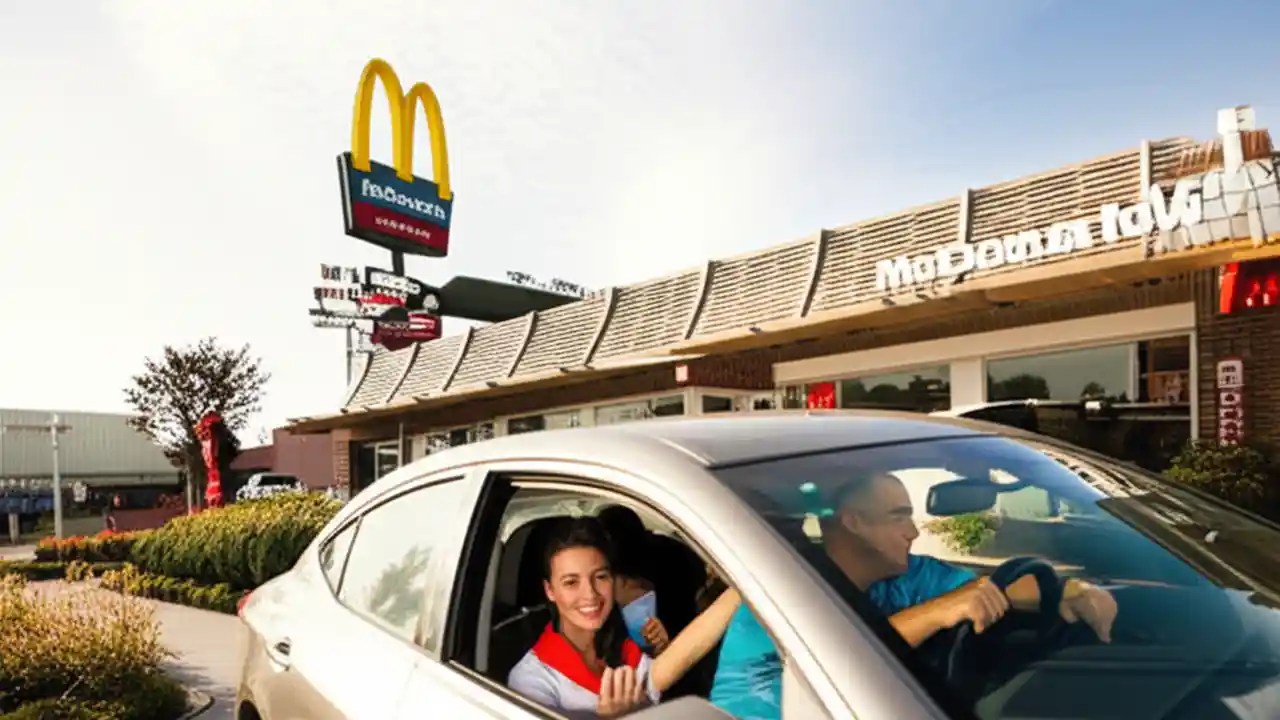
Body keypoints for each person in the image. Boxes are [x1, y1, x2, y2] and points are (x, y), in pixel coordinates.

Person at [709, 472, 1119, 720]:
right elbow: (835, 663)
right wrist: (935, 614)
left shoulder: (904, 575)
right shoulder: (779, 594)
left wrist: (1072, 592)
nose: (914, 531)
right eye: (898, 516)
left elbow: (1001, 589)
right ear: (853, 523)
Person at [508, 516, 741, 718]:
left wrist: (745, 585)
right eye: (571, 582)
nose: (590, 594)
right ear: (550, 591)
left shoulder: (620, 648)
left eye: (600, 577)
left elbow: (673, 662)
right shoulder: (531, 681)